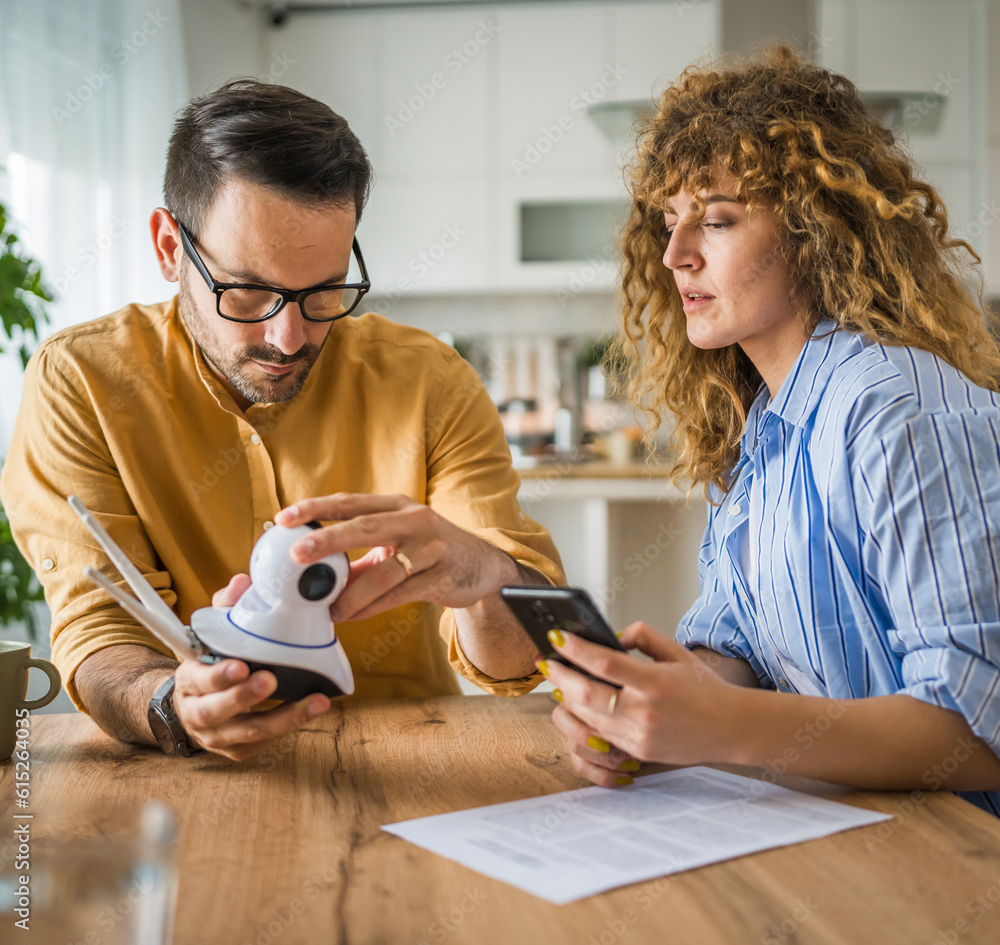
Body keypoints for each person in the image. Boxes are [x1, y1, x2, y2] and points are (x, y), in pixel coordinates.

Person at [0, 80, 563, 761]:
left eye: (324, 291)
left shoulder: (429, 381)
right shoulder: (82, 382)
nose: (290, 336)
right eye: (248, 291)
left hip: (412, 767)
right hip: (184, 777)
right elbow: (100, 630)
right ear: (168, 248)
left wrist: (482, 577)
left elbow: (517, 662)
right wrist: (170, 705)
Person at [538, 46, 1000, 815]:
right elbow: (743, 651)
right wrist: (657, 705)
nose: (675, 255)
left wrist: (725, 726)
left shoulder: (895, 409)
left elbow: (977, 733)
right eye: (669, 221)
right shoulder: (760, 426)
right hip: (844, 834)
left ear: (816, 233)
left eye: (716, 220)